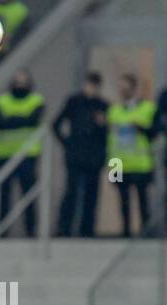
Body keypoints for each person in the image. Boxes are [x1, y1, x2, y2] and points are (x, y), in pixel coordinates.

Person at [0, 70, 44, 238]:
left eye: (23, 81)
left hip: (27, 155)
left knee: (28, 195)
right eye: (18, 81)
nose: (20, 84)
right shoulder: (2, 100)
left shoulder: (36, 100)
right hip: (4, 154)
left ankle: (31, 232)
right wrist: (22, 119)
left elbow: (33, 120)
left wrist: (11, 119)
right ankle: (1, 232)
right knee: (3, 197)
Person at [54, 72, 107, 238]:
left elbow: (106, 135)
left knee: (91, 195)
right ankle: (65, 228)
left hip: (94, 157)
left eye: (95, 86)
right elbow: (56, 124)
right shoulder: (74, 102)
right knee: (71, 193)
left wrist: (102, 125)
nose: (91, 89)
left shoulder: (102, 105)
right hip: (75, 155)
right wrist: (67, 143)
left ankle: (87, 230)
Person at [107, 74, 155, 238]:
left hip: (140, 163)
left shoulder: (147, 108)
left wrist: (140, 127)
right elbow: (111, 140)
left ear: (133, 88)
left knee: (142, 200)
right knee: (123, 199)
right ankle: (125, 232)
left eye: (126, 87)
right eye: (121, 87)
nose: (123, 91)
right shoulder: (114, 111)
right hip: (118, 163)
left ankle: (146, 232)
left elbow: (154, 133)